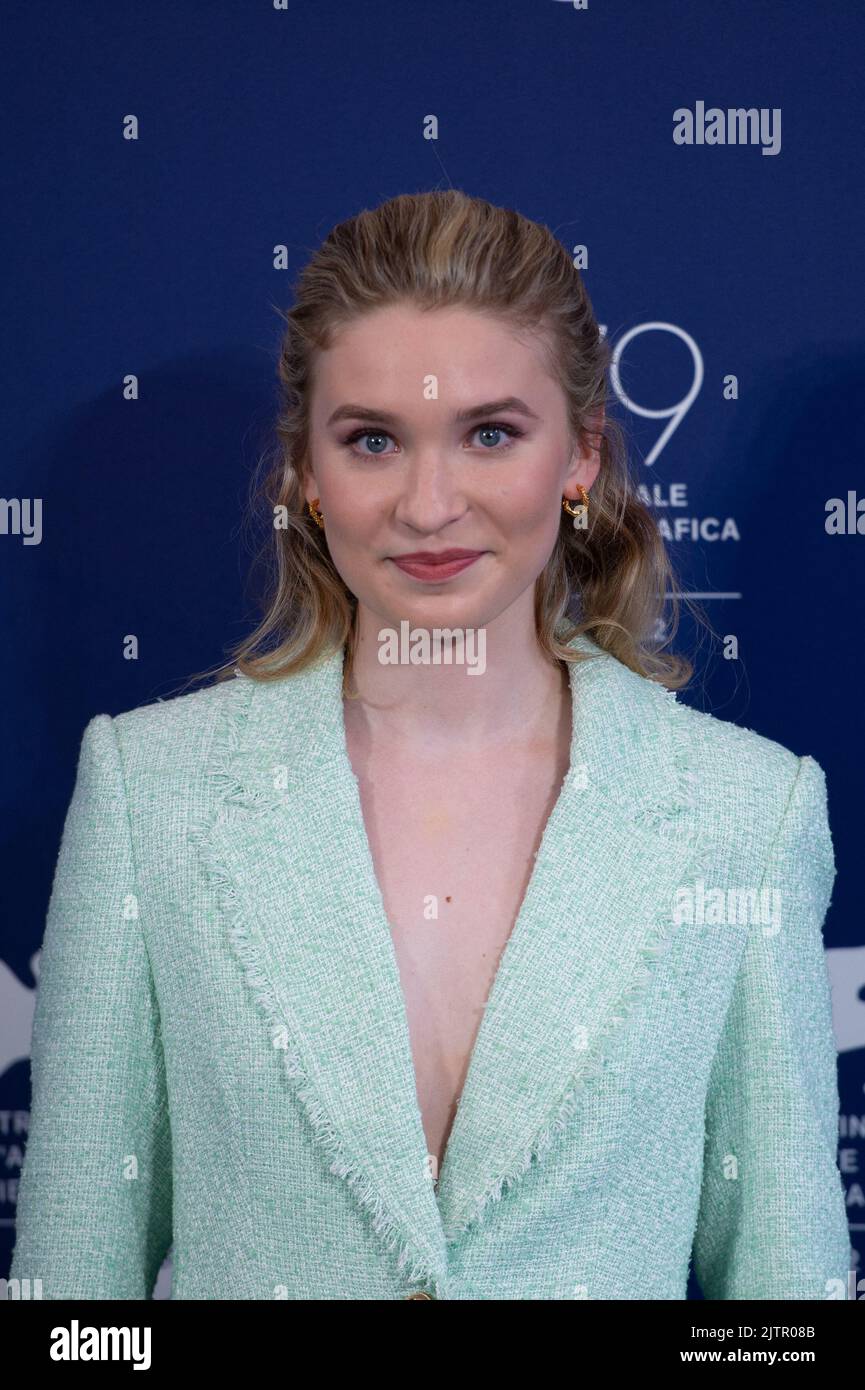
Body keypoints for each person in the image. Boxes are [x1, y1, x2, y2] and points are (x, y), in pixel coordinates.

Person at [10, 190, 850, 1300]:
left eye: (490, 433)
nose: (428, 503)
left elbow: (786, 1302)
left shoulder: (747, 813)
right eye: (372, 441)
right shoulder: (149, 795)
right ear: (308, 474)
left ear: (581, 457)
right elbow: (76, 1295)